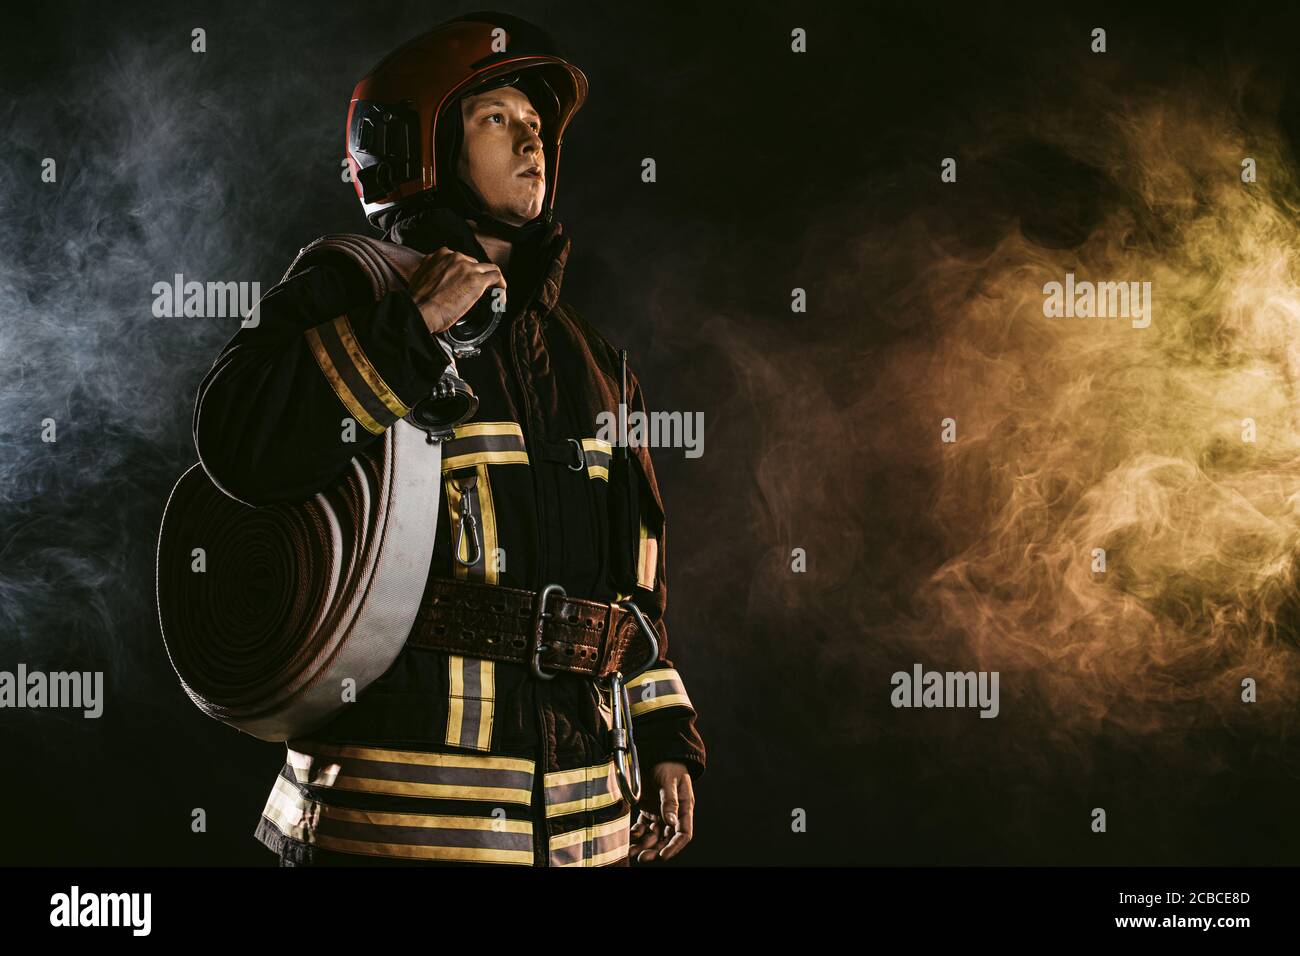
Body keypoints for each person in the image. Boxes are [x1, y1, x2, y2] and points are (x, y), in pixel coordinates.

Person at [191, 11, 706, 867]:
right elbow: (239, 442)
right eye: (496, 118)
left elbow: (635, 576)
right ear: (416, 144)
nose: (531, 141)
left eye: (537, 126)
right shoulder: (351, 287)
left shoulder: (595, 363)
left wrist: (663, 733)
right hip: (391, 827)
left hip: (584, 833)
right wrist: (407, 327)